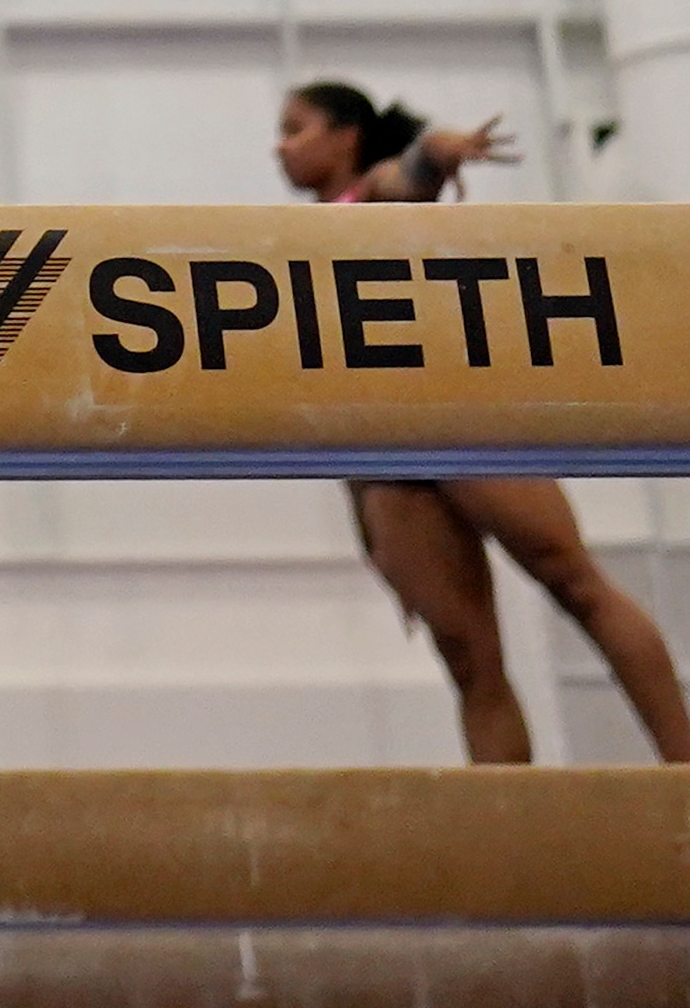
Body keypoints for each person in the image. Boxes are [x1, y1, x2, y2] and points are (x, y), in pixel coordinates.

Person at [274, 79, 690, 764]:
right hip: (380, 459)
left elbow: (408, 174)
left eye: (296, 127)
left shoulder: (366, 197)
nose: (279, 145)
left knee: (575, 583)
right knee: (470, 660)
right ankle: (514, 844)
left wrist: (439, 150)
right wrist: (365, 526)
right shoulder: (293, 241)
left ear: (345, 135)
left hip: (450, 415)